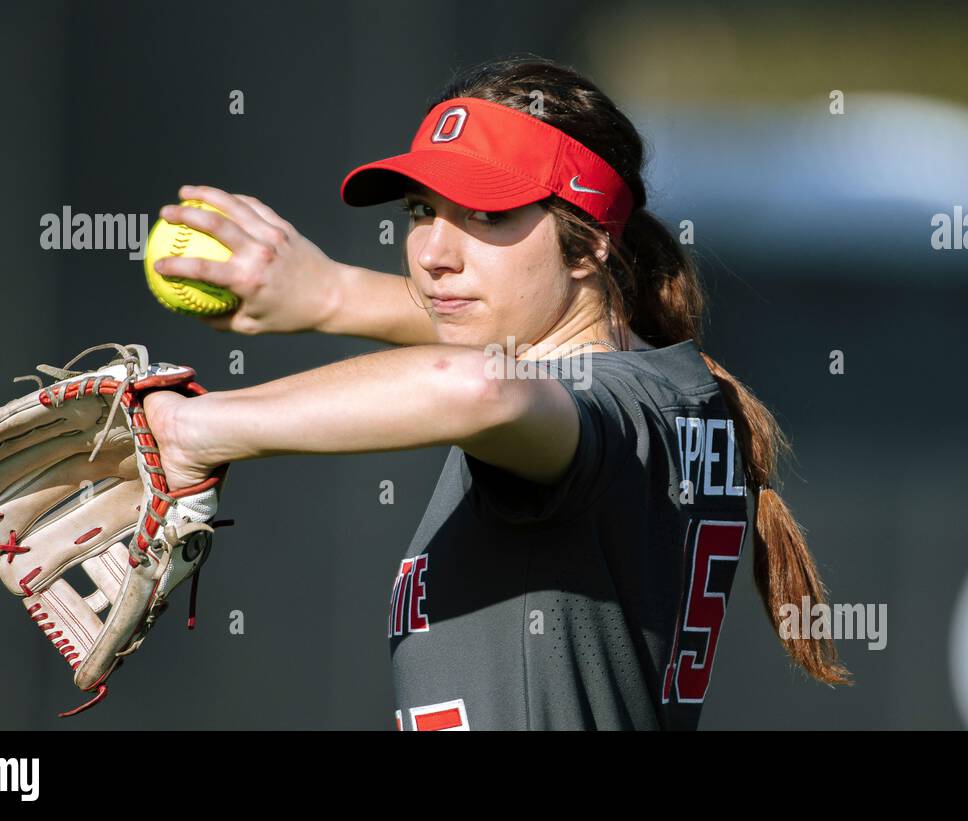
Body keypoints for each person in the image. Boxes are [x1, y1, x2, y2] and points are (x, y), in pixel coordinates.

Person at [142, 56, 850, 730]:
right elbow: (499, 346)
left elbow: (481, 385)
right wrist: (333, 296)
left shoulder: (598, 411)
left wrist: (192, 429)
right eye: (422, 210)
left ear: (589, 241)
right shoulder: (671, 388)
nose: (433, 253)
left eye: (486, 214)